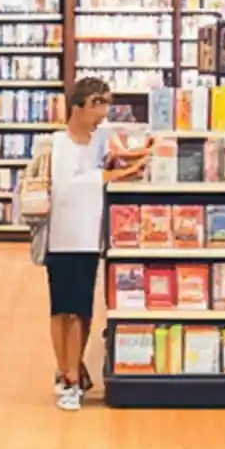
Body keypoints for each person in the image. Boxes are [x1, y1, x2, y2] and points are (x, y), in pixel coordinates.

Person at [47, 77, 150, 411]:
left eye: (106, 102)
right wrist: (111, 175)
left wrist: (141, 156)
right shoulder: (59, 143)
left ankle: (72, 367)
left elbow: (123, 153)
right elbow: (65, 187)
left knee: (84, 310)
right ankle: (69, 377)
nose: (104, 110)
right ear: (78, 106)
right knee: (64, 309)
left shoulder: (102, 138)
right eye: (98, 103)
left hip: (92, 236)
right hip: (64, 235)